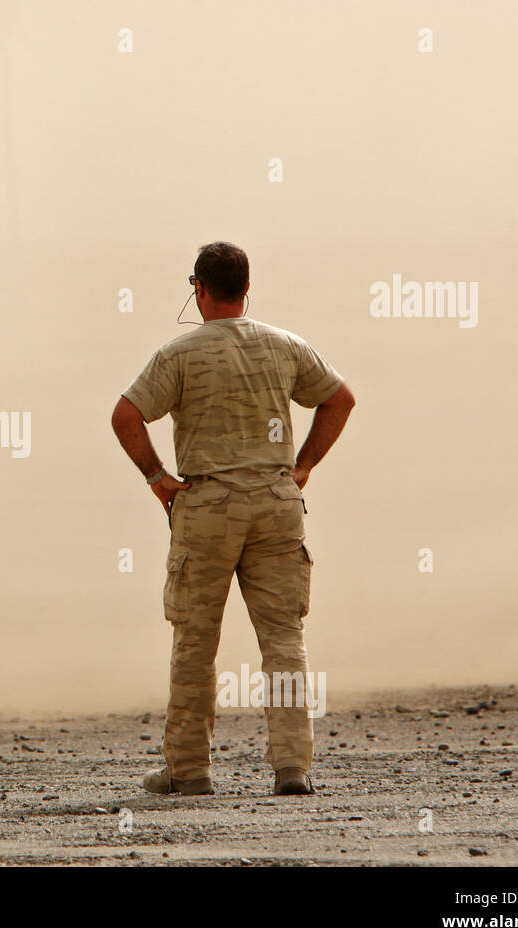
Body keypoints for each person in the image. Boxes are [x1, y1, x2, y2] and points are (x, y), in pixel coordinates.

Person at [110, 241, 355, 796]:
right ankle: (292, 767)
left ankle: (188, 769)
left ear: (199, 289)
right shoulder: (285, 345)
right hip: (276, 503)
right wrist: (303, 466)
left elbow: (125, 415)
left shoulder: (178, 354)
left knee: (195, 642)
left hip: (207, 507)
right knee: (284, 639)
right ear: (247, 288)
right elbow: (340, 399)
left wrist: (157, 477)